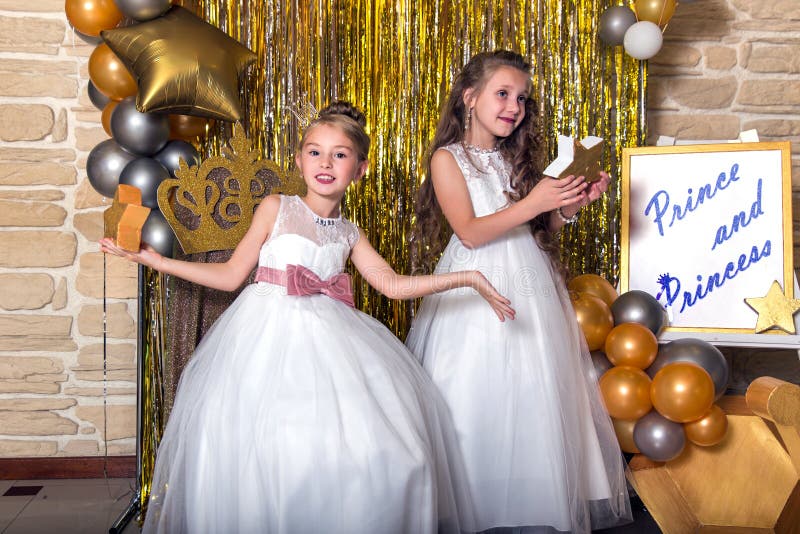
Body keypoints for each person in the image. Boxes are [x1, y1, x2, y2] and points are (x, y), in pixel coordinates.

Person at [100, 101, 515, 534]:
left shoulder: (352, 233)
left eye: (340, 154)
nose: (326, 163)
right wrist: (157, 261)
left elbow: (392, 285)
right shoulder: (276, 208)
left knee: (389, 448)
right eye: (315, 151)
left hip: (333, 338)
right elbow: (229, 276)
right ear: (299, 160)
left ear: (360, 168)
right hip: (265, 334)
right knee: (275, 445)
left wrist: (466, 277)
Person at [406, 50, 632, 533]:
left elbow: (535, 225)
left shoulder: (514, 159)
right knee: (474, 389)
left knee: (536, 389)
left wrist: (567, 205)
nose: (514, 107)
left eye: (522, 99)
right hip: (474, 285)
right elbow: (469, 231)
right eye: (503, 94)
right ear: (470, 97)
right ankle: (476, 504)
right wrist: (535, 199)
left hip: (529, 284)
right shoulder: (448, 158)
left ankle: (531, 498)